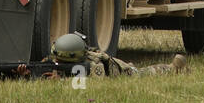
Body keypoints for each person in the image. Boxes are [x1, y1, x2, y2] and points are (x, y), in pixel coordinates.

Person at [50, 32, 188, 76]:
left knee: (144, 72)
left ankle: (173, 68)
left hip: (122, 71)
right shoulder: (63, 60)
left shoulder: (94, 65)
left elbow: (93, 87)